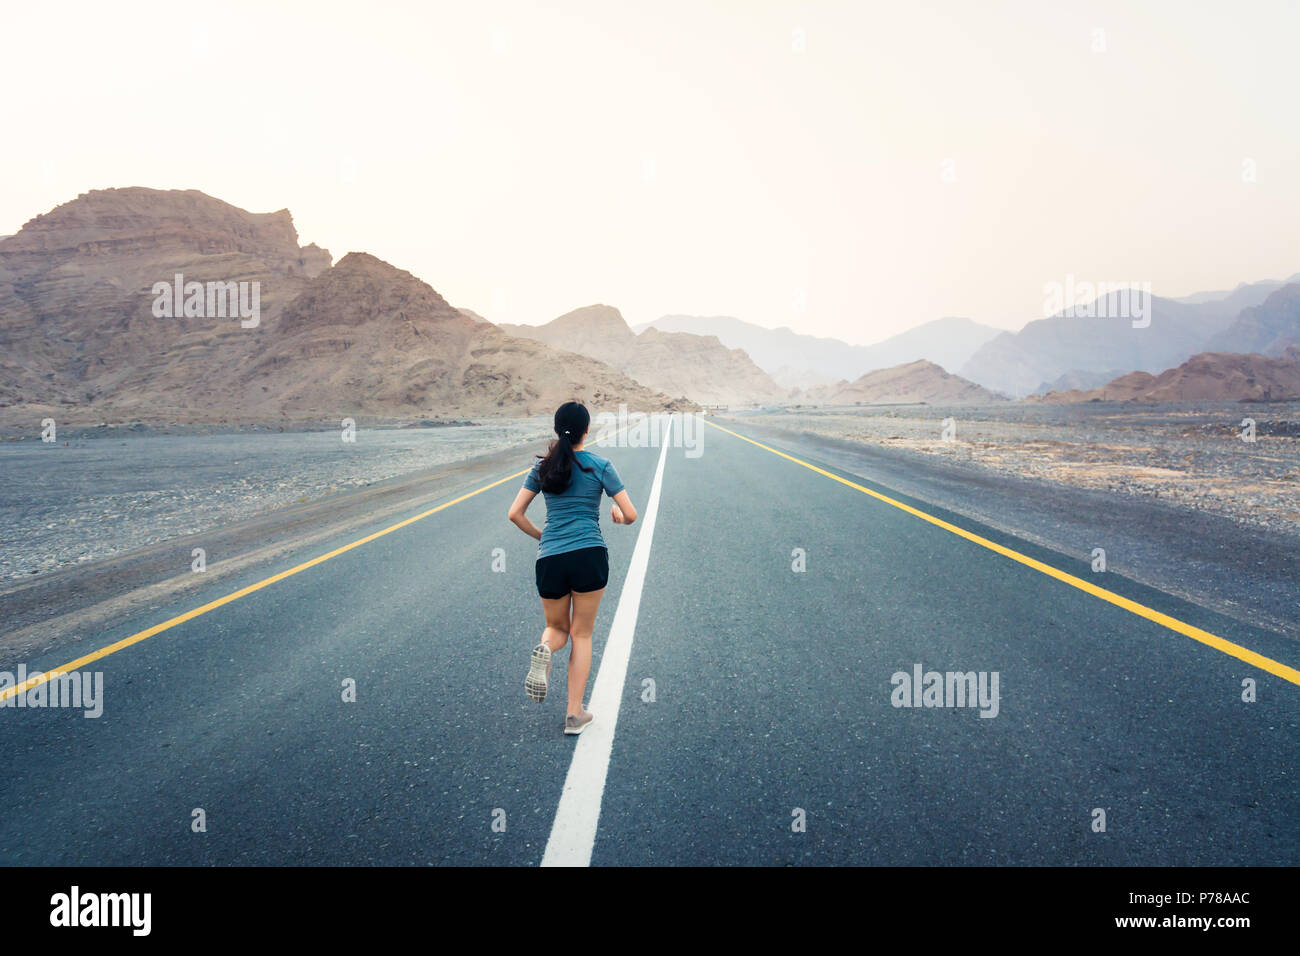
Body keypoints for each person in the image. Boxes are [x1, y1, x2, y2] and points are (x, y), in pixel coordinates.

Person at [507, 401, 637, 735]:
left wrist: (543, 537)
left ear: (555, 428)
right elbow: (630, 514)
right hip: (589, 555)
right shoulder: (600, 465)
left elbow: (515, 514)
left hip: (550, 557)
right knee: (582, 633)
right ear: (587, 430)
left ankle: (545, 650)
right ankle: (574, 714)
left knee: (557, 629)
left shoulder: (542, 468)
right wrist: (616, 516)